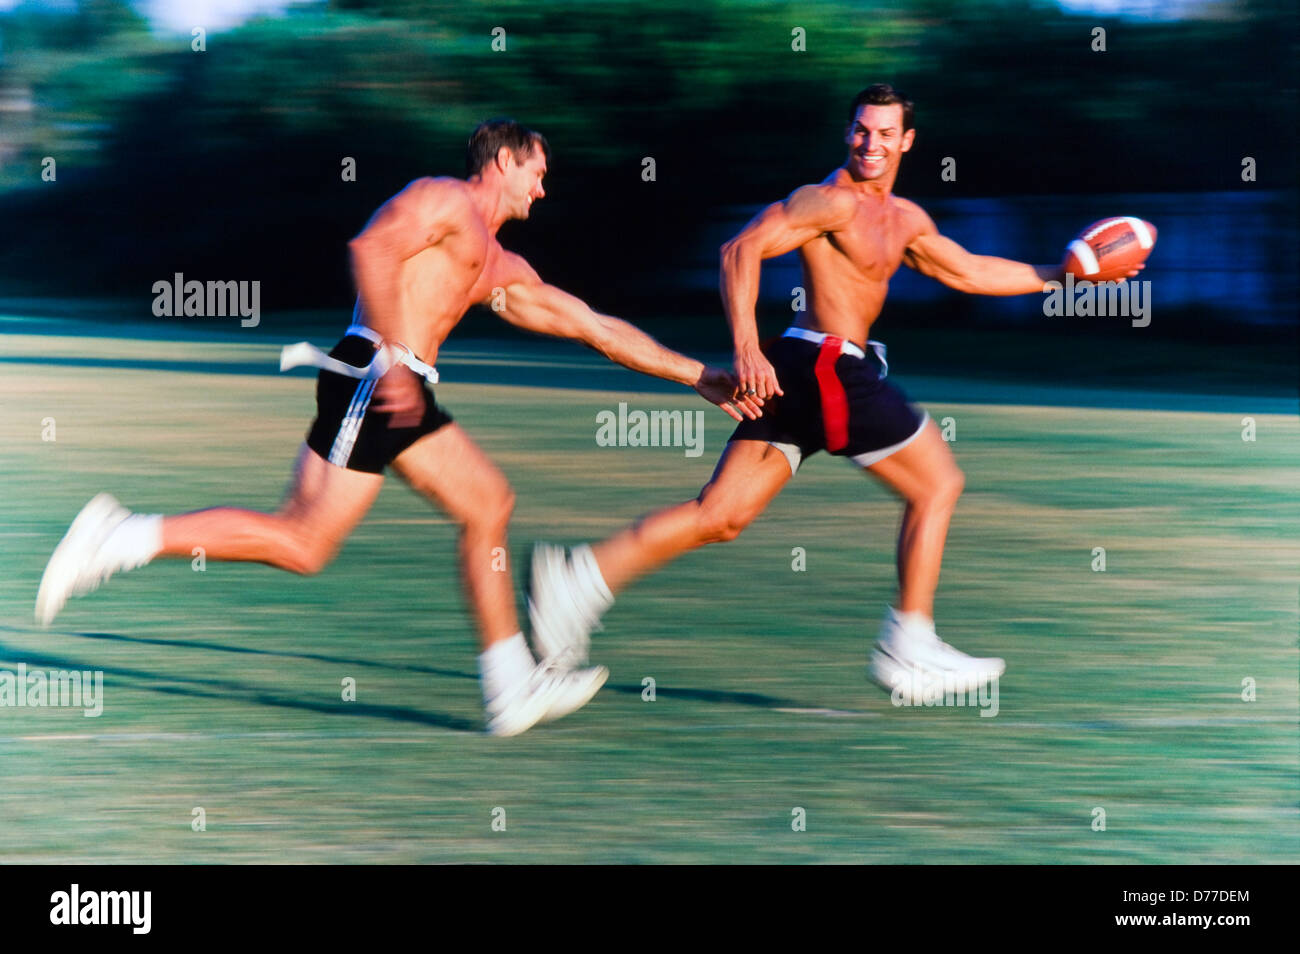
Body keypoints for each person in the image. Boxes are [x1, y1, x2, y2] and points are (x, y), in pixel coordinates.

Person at [35, 118, 746, 736]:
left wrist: (697, 375)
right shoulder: (442, 198)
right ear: (503, 160)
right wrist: (394, 359)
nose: (543, 190)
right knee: (413, 518)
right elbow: (370, 248)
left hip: (390, 385)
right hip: (376, 374)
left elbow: (595, 327)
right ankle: (119, 537)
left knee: (342, 536)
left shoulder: (499, 266)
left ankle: (123, 535)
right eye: (538, 173)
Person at [528, 84, 1141, 703]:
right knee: (938, 484)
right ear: (847, 132)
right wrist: (745, 348)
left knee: (721, 517)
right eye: (859, 130)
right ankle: (909, 646)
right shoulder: (827, 203)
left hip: (809, 373)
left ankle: (577, 580)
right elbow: (740, 249)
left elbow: (967, 270)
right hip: (825, 365)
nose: (869, 144)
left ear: (906, 141)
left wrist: (1059, 275)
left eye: (883, 133)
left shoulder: (905, 219)